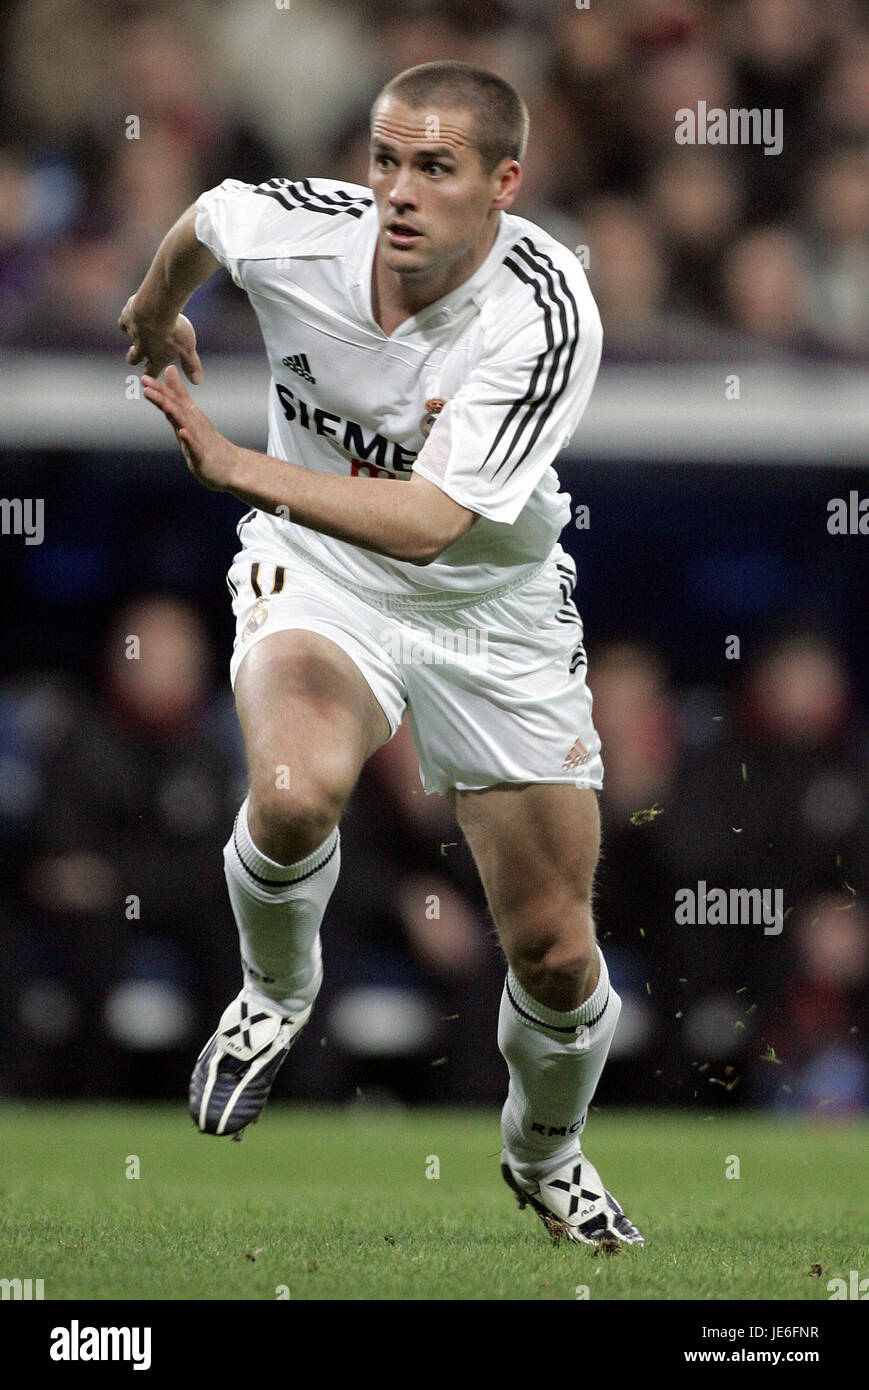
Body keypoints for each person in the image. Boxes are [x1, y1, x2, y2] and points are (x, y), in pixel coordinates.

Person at [119, 60, 642, 1248]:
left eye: (434, 168)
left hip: (489, 608)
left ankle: (544, 1153)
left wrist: (234, 465)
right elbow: (206, 219)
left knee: (555, 951)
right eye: (385, 160)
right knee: (292, 790)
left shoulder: (544, 309)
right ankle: (275, 991)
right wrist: (153, 311)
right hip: (323, 569)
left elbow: (430, 522)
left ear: (502, 184)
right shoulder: (304, 232)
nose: (397, 192)